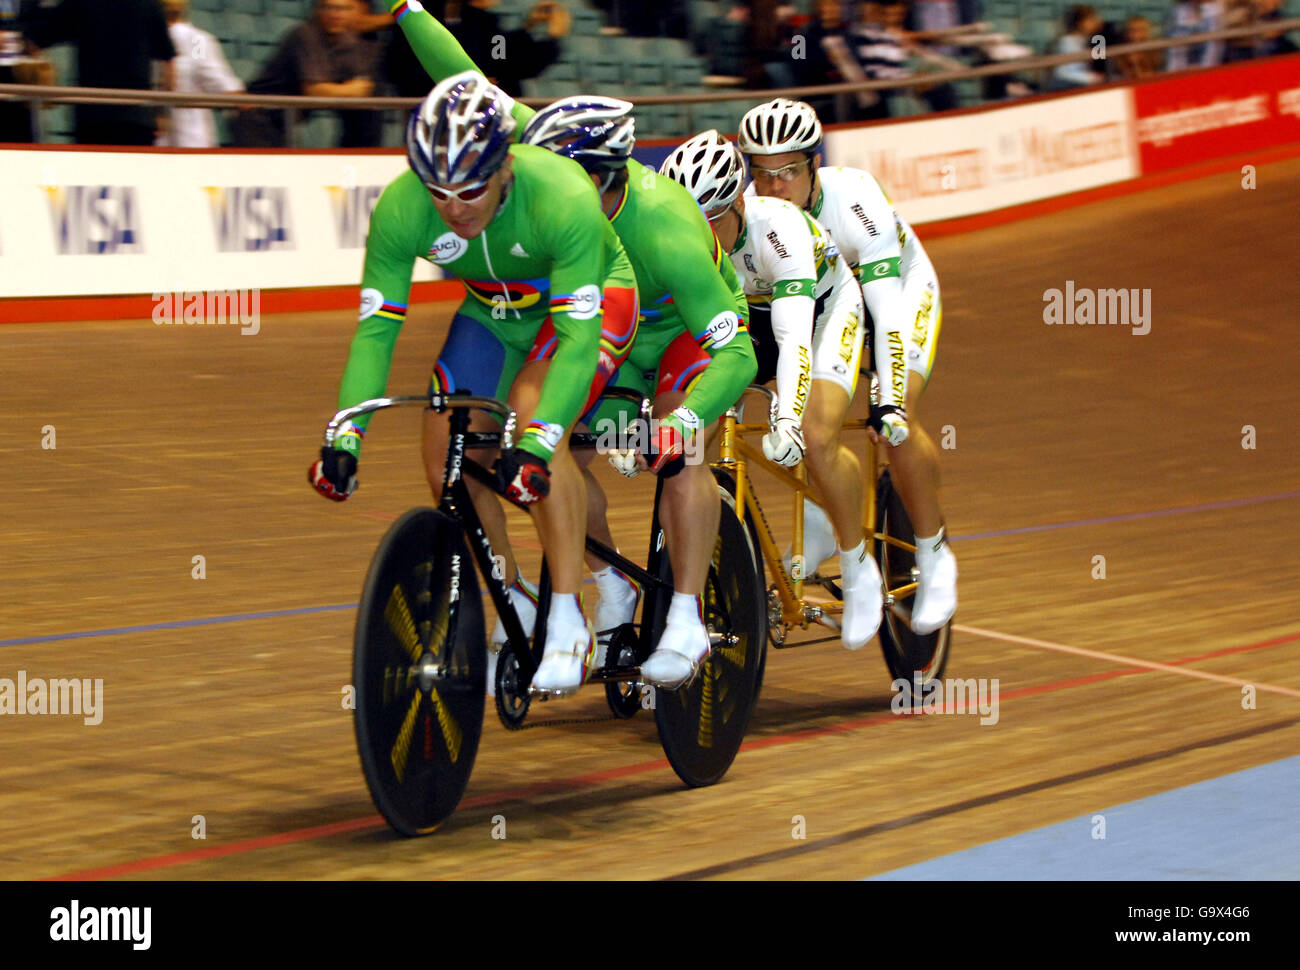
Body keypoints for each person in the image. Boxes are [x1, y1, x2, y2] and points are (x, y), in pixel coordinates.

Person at [393, 2, 761, 689]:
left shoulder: (665, 232)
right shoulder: (549, 163)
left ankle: (685, 615)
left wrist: (682, 418)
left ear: (601, 181)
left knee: (679, 454)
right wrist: (404, 8)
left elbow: (738, 351)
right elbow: (463, 75)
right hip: (609, 332)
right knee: (534, 441)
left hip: (684, 337)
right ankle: (606, 589)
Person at [311, 70, 640, 697]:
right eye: (437, 191)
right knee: (446, 456)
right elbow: (376, 333)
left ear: (506, 170)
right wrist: (346, 436)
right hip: (492, 312)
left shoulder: (562, 195)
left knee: (529, 415)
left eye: (469, 189)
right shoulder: (402, 209)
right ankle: (514, 602)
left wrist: (541, 445)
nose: (454, 208)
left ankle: (570, 614)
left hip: (578, 312)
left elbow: (574, 341)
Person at [735, 98, 958, 635]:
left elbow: (885, 312)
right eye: (762, 173)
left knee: (894, 425)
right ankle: (820, 510)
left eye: (788, 171)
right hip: (821, 303)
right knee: (811, 427)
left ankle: (933, 551)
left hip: (894, 297)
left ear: (814, 165)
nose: (775, 185)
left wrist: (888, 398)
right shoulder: (748, 214)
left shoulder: (855, 200)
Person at [662, 129, 887, 652]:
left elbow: (792, 340)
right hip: (749, 321)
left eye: (714, 219)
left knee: (816, 432)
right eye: (690, 222)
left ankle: (857, 565)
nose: (704, 235)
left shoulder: (778, 231)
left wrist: (786, 418)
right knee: (696, 430)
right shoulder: (678, 243)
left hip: (822, 314)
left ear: (741, 201)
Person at [26, 0, 175, 146]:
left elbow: (37, 40)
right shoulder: (150, 4)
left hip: (93, 115)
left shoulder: (82, 3)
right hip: (138, 116)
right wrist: (161, 114)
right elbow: (169, 65)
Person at [234, 0, 381, 147]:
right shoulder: (305, 34)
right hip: (259, 118)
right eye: (329, 7)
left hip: (288, 120)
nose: (335, 15)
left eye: (343, 9)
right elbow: (315, 91)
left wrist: (346, 90)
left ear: (356, 12)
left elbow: (364, 88)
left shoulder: (350, 40)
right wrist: (349, 90)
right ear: (317, 10)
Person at [156, 0, 243, 148]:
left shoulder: (151, 39)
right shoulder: (196, 40)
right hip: (192, 135)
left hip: (161, 136)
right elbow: (213, 76)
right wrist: (238, 95)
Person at [1051, 5, 1106, 89]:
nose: (1097, 23)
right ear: (1080, 23)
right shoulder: (1068, 42)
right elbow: (1063, 73)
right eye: (1091, 20)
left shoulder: (1087, 40)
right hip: (1066, 89)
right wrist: (1091, 78)